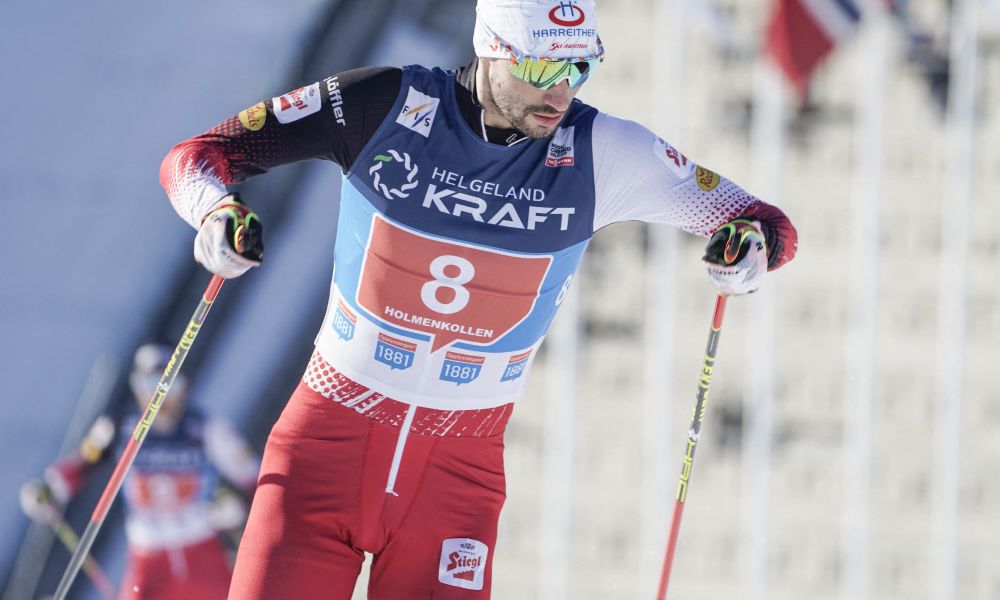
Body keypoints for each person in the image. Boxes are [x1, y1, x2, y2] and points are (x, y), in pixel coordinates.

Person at [158, 1, 798, 597]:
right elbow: (197, 156)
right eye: (542, 65)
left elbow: (761, 222)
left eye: (582, 65)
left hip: (456, 477)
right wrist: (216, 212)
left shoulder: (605, 153)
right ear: (491, 46)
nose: (561, 89)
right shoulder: (383, 104)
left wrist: (747, 248)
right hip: (324, 449)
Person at [21, 344, 261, 600]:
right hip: (148, 559)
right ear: (136, 388)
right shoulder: (121, 429)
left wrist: (234, 504)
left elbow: (255, 480)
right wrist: (51, 488)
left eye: (170, 384)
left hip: (202, 552)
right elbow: (82, 463)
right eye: (149, 384)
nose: (161, 397)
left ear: (185, 386)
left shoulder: (205, 429)